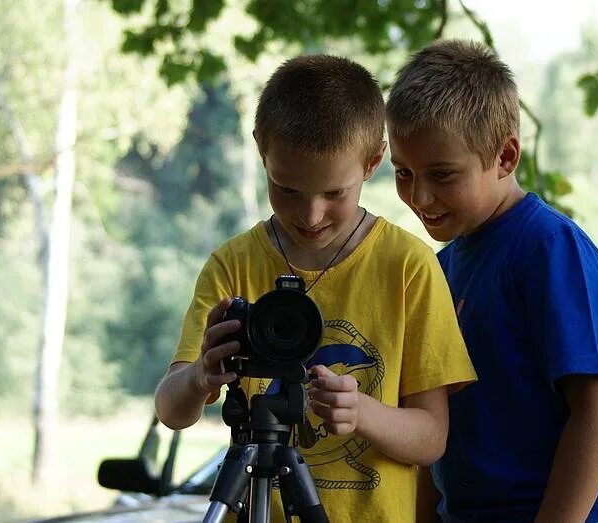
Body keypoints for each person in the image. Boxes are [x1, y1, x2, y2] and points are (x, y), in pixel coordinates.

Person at [154, 53, 477, 522]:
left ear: (372, 163)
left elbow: (432, 437)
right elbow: (172, 410)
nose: (310, 215)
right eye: (286, 189)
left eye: (334, 194)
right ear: (262, 154)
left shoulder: (408, 266)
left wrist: (361, 412)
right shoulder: (233, 265)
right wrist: (200, 375)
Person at [386, 39, 598, 523]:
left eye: (442, 174)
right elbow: (430, 426)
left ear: (505, 157)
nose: (419, 195)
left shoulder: (550, 248)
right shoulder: (438, 270)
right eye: (403, 172)